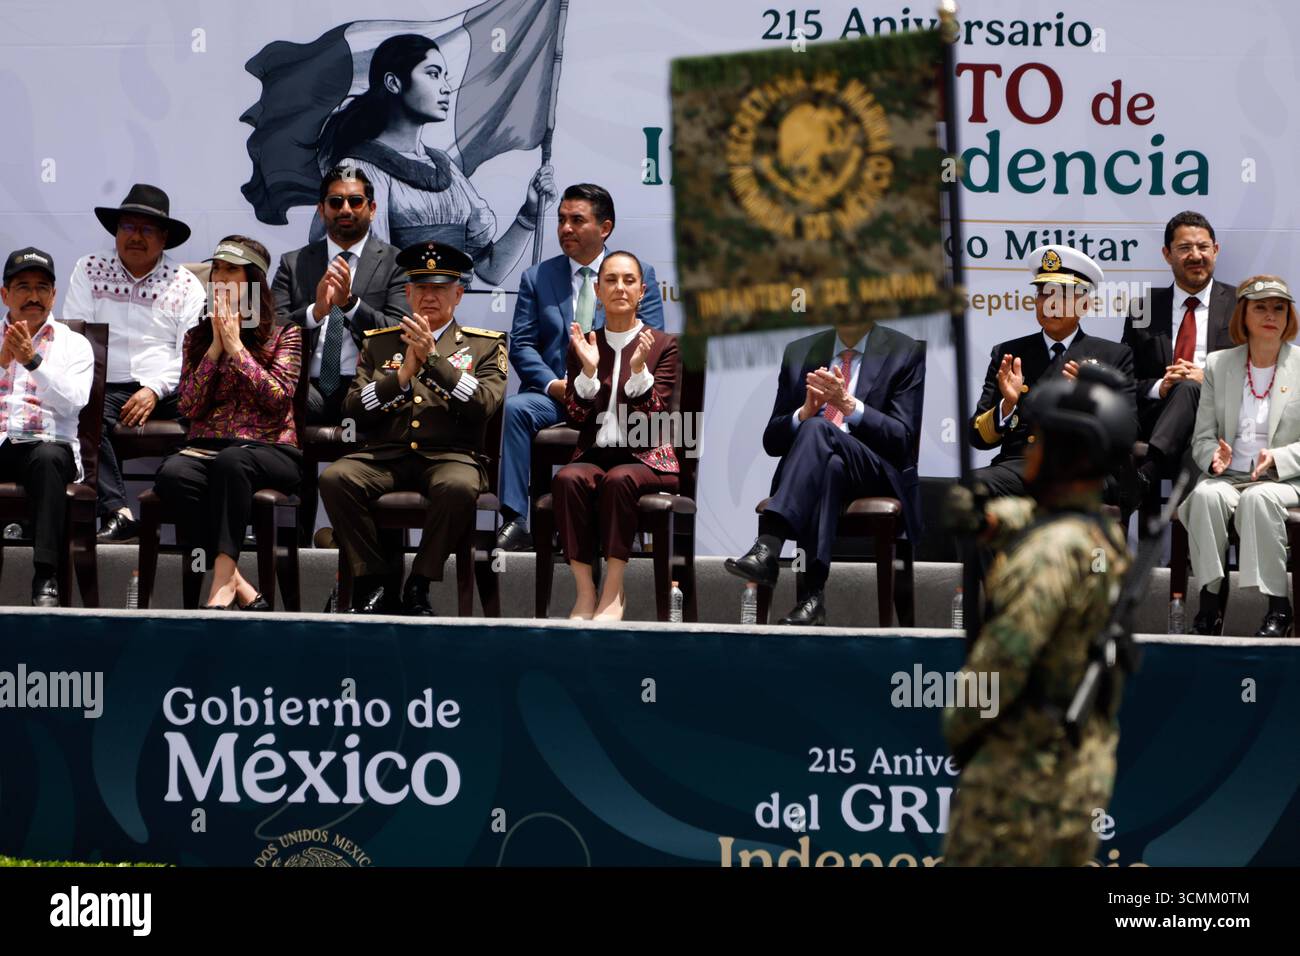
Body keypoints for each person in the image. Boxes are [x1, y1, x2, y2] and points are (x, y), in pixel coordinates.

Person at [943, 364, 1134, 866]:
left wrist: (960, 729)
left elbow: (1003, 661)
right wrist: (984, 517)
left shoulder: (1049, 555)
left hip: (1020, 781)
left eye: (1042, 439)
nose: (1032, 449)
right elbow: (1041, 520)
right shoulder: (1099, 536)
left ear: (1064, 454)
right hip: (1077, 768)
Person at [319, 240, 507, 615]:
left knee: (457, 486)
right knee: (336, 478)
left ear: (458, 294)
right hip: (386, 456)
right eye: (421, 287)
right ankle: (373, 580)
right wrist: (400, 377)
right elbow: (353, 407)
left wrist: (435, 361)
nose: (429, 297)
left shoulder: (485, 346)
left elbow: (484, 404)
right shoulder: (381, 343)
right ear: (407, 293)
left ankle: (419, 582)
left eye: (439, 288)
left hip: (450, 456)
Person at [496, 183, 665, 553]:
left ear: (604, 228)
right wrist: (555, 385)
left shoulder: (636, 275)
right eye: (561, 220)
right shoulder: (536, 278)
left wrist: (606, 385)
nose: (565, 229)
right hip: (559, 394)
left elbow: (651, 343)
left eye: (576, 220)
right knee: (514, 409)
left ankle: (616, 526)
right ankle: (515, 519)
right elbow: (522, 346)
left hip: (616, 400)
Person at [724, 318, 926, 625]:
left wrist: (848, 405)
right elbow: (772, 441)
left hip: (875, 470)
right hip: (823, 469)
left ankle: (770, 543)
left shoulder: (903, 351)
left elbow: (902, 439)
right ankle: (812, 597)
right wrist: (802, 413)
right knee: (828, 461)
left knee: (819, 429)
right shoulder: (801, 351)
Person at [317, 33, 556, 287]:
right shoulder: (355, 171)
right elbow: (360, 279)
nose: (445, 87)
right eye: (433, 74)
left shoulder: (446, 168)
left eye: (445, 76)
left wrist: (529, 214)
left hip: (443, 323)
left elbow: (490, 270)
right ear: (393, 83)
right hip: (387, 323)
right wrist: (439, 272)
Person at [152, 237, 302, 610]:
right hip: (206, 447)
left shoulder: (285, 332)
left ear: (253, 280)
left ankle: (221, 577)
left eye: (231, 270)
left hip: (270, 450)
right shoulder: (198, 337)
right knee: (172, 473)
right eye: (216, 269)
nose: (219, 277)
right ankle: (239, 584)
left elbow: (277, 399)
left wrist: (237, 348)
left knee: (233, 461)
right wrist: (216, 349)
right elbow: (188, 405)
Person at [62, 183, 205, 542]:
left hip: (167, 388)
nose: (135, 237)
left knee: (208, 411)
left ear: (164, 238)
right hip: (105, 384)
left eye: (146, 229)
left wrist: (154, 390)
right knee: (78, 409)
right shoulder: (89, 268)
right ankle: (117, 510)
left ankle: (185, 518)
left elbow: (191, 354)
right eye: (127, 227)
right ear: (116, 231)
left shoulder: (186, 284)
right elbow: (76, 339)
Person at [551, 251, 678, 621]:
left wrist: (639, 374)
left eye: (628, 280)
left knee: (619, 480)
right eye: (610, 280)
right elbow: (574, 415)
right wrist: (587, 373)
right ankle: (585, 591)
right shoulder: (584, 342)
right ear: (597, 290)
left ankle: (613, 592)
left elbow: (655, 419)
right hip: (595, 453)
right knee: (568, 478)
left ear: (642, 292)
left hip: (647, 458)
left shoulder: (664, 345)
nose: (619, 287)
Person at [1178, 275, 1300, 637]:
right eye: (1260, 307)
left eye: (1279, 307)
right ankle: (1210, 606)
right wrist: (1214, 456)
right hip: (1229, 476)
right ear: (1243, 314)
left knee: (1260, 499)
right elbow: (1201, 438)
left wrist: (1277, 459)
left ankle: (1279, 608)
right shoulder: (1219, 365)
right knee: (1204, 495)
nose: (1270, 315)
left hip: (1285, 480)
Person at [970, 245, 1137, 505]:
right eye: (1044, 294)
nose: (1051, 304)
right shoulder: (1009, 354)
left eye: (1062, 296)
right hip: (1022, 467)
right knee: (971, 488)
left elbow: (1129, 433)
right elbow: (978, 438)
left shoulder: (1113, 356)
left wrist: (1090, 398)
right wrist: (1008, 404)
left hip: (1084, 469)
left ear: (1085, 303)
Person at [273, 165, 408, 425]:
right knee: (276, 396)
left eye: (355, 201)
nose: (345, 209)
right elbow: (271, 330)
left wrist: (350, 305)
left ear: (372, 209)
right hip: (306, 387)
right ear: (321, 209)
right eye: (335, 202)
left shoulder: (395, 263)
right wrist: (316, 312)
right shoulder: (293, 263)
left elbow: (399, 331)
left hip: (368, 385)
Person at [0, 248, 94, 606]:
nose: (34, 297)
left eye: (43, 287)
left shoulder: (75, 344)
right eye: (23, 287)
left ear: (54, 295)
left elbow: (74, 402)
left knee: (48, 457)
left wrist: (32, 362)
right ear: (5, 295)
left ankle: (46, 578)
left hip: (47, 447)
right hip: (2, 445)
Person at [1122, 211, 1236, 498]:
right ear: (1167, 254)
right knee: (1182, 388)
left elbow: (1257, 373)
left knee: (1190, 386)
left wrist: (1207, 380)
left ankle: (1148, 473)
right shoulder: (1143, 307)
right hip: (1159, 417)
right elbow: (1124, 380)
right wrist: (1161, 387)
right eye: (1184, 248)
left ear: (1216, 250)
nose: (1196, 255)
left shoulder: (1241, 305)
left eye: (1203, 247)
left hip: (1221, 418)